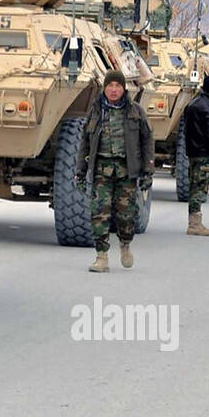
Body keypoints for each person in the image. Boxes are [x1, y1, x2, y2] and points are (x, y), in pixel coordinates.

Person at [76, 69, 153, 272]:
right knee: (99, 213)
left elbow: (147, 141)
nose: (113, 89)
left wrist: (148, 172)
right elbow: (85, 143)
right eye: (110, 85)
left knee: (126, 216)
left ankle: (125, 244)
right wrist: (80, 172)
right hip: (102, 170)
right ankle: (101, 257)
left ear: (123, 88)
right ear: (104, 88)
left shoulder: (135, 111)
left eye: (117, 86)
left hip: (126, 171)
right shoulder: (95, 111)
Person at [183, 74, 209, 236]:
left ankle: (194, 222)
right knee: (200, 188)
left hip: (193, 152)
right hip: (205, 153)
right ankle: (194, 224)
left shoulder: (193, 104)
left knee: (194, 185)